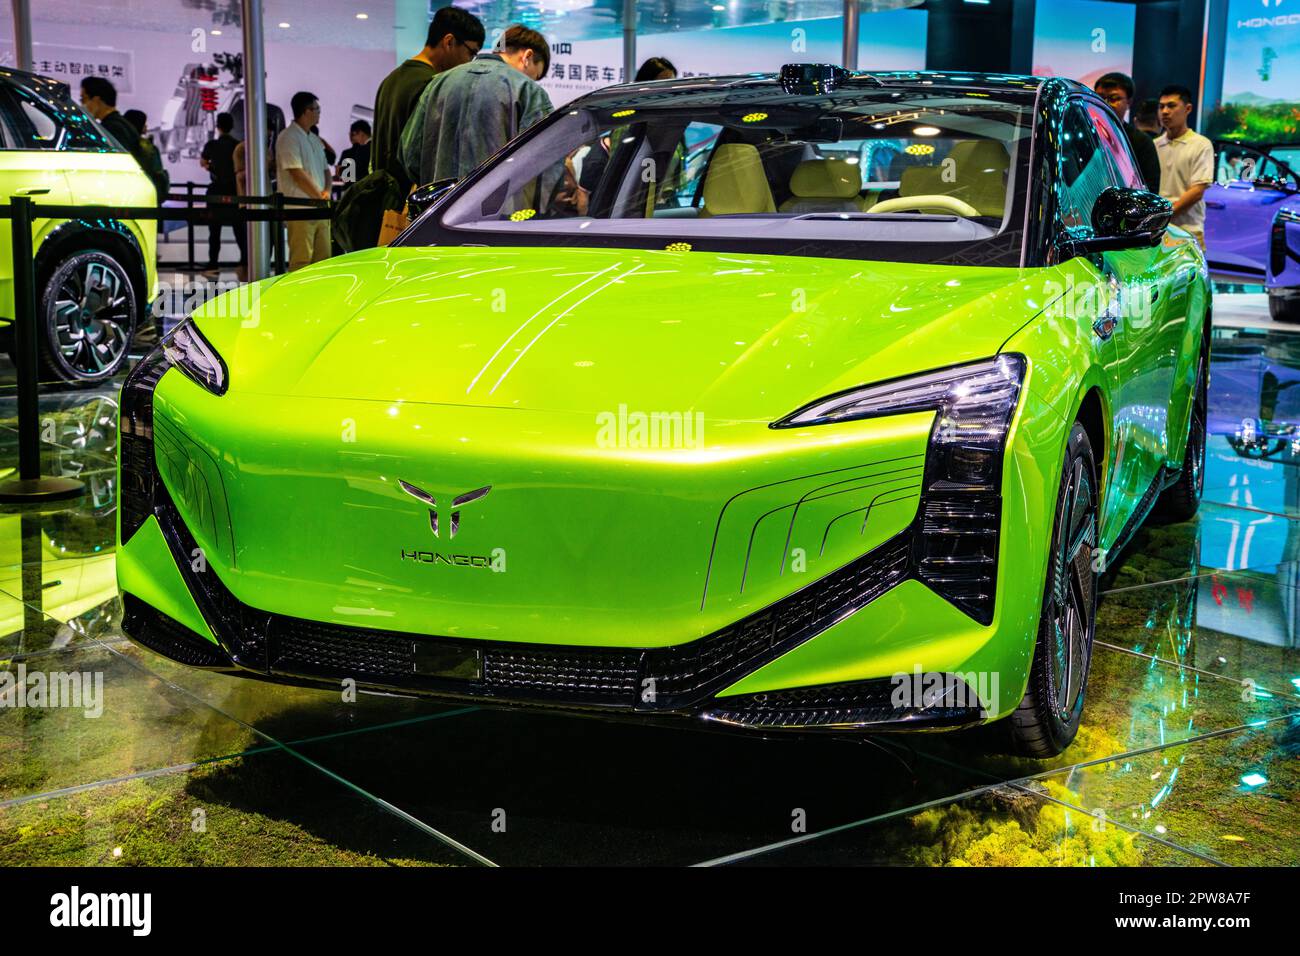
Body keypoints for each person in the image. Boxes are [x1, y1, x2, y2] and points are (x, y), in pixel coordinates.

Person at [402, 24, 553, 187]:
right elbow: (543, 163)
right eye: (535, 75)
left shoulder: (438, 83)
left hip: (439, 206)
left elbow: (410, 154)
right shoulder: (529, 91)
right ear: (527, 57)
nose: (533, 81)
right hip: (498, 209)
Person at [371, 6, 484, 190]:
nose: (470, 62)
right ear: (449, 42)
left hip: (384, 203)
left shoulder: (390, 80)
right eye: (471, 52)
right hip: (413, 206)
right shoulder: (433, 85)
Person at [276, 91, 332, 270]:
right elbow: (296, 173)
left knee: (323, 260)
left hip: (320, 208)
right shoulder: (288, 137)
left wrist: (327, 192)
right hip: (300, 209)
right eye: (316, 109)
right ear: (306, 111)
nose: (318, 113)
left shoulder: (314, 139)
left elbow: (326, 170)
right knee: (301, 261)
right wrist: (318, 196)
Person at [79, 77, 159, 201]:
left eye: (83, 99)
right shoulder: (120, 124)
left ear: (96, 100)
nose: (82, 105)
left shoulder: (112, 128)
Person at [1155, 84, 1214, 249]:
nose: (1165, 111)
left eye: (1171, 106)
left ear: (1188, 109)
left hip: (1188, 231)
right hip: (1157, 231)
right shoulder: (1154, 145)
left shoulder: (1201, 144)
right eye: (1161, 107)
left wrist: (1164, 215)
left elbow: (1197, 191)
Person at [1093, 72, 1160, 193]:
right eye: (1100, 97)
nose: (1105, 104)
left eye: (1114, 98)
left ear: (1129, 102)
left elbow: (1151, 191)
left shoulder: (1142, 142)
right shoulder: (1084, 137)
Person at [200, 112, 244, 276]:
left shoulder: (211, 145)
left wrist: (211, 168)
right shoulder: (237, 145)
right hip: (234, 192)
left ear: (217, 127)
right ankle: (245, 261)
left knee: (214, 231)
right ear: (232, 126)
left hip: (216, 191)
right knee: (239, 229)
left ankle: (213, 265)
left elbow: (203, 162)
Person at [337, 119, 372, 191]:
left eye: (354, 135)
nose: (354, 138)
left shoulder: (363, 150)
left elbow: (355, 172)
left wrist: (341, 170)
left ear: (361, 133)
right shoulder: (377, 146)